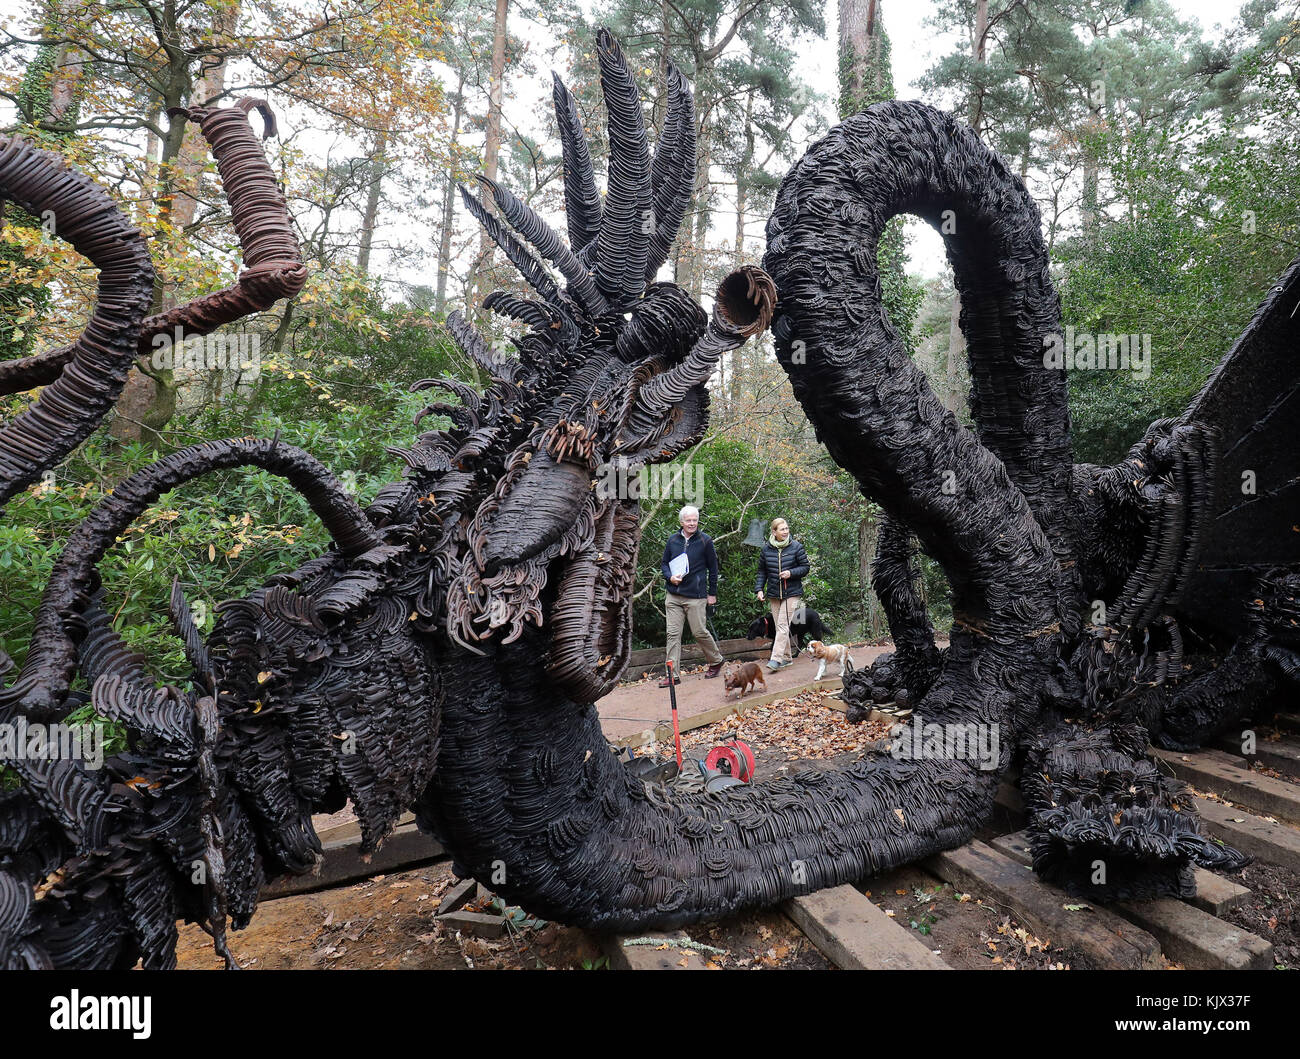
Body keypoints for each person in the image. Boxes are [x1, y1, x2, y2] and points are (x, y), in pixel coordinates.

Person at [659, 505, 725, 686]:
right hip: (673, 595)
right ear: (681, 522)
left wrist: (712, 593)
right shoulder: (673, 540)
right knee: (672, 634)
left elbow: (713, 569)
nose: (692, 523)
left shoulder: (705, 541)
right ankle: (672, 675)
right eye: (688, 520)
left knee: (699, 632)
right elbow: (664, 563)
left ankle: (716, 660)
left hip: (696, 596)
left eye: (695, 520)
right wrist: (670, 577)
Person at [754, 517, 810, 671]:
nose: (785, 531)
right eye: (782, 529)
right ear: (774, 532)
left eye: (786, 528)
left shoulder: (796, 547)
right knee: (780, 627)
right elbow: (762, 571)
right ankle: (786, 657)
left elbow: (805, 567)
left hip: (792, 592)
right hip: (773, 593)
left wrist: (790, 573)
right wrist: (759, 589)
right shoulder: (766, 549)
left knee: (782, 625)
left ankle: (776, 658)